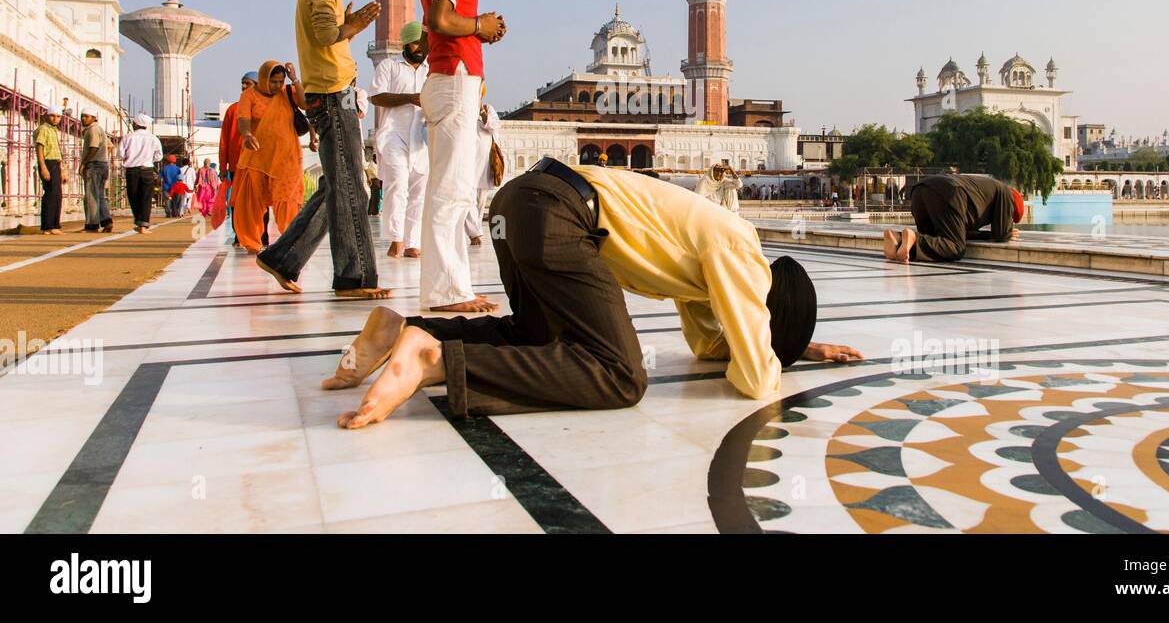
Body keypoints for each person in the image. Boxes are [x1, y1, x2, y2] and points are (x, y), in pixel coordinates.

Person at [325, 159, 864, 427]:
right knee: (622, 376)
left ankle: (400, 333)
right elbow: (753, 379)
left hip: (518, 203)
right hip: (558, 212)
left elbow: (708, 346)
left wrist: (797, 345)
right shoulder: (743, 253)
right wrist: (777, 361)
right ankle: (436, 358)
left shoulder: (714, 267)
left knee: (534, 335)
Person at [255, 0, 390, 299]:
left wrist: (347, 24)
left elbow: (327, 32)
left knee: (339, 184)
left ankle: (282, 257)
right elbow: (325, 33)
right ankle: (354, 276)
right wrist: (353, 26)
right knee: (352, 187)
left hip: (334, 91)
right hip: (332, 95)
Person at [416, 0, 507, 313]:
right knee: (451, 192)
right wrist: (479, 26)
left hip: (449, 78)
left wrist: (476, 29)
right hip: (455, 81)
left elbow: (429, 28)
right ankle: (445, 293)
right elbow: (438, 19)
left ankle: (454, 288)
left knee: (450, 190)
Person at [368, 20, 429, 258]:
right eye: (415, 43)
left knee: (418, 189)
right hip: (394, 134)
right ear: (405, 43)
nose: (420, 48)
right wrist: (408, 98)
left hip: (420, 137)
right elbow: (376, 97)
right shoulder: (389, 66)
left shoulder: (430, 70)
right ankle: (396, 239)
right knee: (398, 185)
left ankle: (412, 242)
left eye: (423, 43)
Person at [233, 61, 307, 254]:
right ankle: (252, 242)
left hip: (287, 158)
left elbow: (305, 104)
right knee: (252, 203)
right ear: (264, 79)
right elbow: (243, 120)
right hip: (257, 158)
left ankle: (290, 241)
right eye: (273, 81)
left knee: (287, 201)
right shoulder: (249, 95)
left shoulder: (286, 91)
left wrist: (294, 79)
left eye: (280, 81)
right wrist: (247, 135)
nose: (277, 85)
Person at [883, 174, 1024, 263]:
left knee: (933, 239)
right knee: (955, 248)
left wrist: (986, 235)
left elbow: (962, 232)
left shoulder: (987, 191)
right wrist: (1008, 232)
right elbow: (1001, 235)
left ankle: (898, 240)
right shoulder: (1005, 192)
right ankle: (913, 237)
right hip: (950, 192)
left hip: (920, 190)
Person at [219, 72, 257, 242]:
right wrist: (222, 167)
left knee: (258, 202)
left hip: (257, 164)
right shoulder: (232, 110)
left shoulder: (264, 108)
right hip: (237, 165)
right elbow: (224, 141)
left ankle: (259, 236)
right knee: (237, 202)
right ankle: (239, 236)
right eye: (242, 83)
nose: (243, 87)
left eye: (247, 83)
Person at [118, 113, 163, 233]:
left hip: (132, 170)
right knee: (146, 197)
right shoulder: (153, 138)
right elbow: (159, 156)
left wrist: (131, 157)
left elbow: (120, 154)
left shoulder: (128, 138)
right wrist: (148, 159)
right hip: (147, 170)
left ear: (136, 124)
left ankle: (139, 220)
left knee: (133, 196)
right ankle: (143, 224)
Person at [465, 102, 502, 246]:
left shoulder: (488, 108)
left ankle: (476, 230)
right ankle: (475, 234)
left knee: (480, 201)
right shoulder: (463, 105)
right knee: (468, 199)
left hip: (485, 165)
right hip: (467, 162)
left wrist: (483, 112)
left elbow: (494, 125)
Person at [79, 109, 112, 233]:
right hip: (102, 164)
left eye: (87, 117)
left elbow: (93, 148)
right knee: (99, 195)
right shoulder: (100, 129)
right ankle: (106, 221)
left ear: (94, 118)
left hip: (94, 166)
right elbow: (109, 146)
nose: (84, 119)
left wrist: (83, 163)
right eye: (82, 116)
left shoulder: (92, 130)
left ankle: (92, 225)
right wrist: (103, 156)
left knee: (91, 196)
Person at [34, 107, 64, 235]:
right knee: (51, 194)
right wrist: (43, 167)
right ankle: (49, 226)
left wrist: (61, 169)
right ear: (47, 116)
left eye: (58, 116)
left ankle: (52, 225)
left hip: (55, 163)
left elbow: (57, 152)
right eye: (52, 116)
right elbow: (39, 148)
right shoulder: (44, 129)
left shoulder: (54, 130)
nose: (55, 119)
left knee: (56, 194)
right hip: (48, 162)